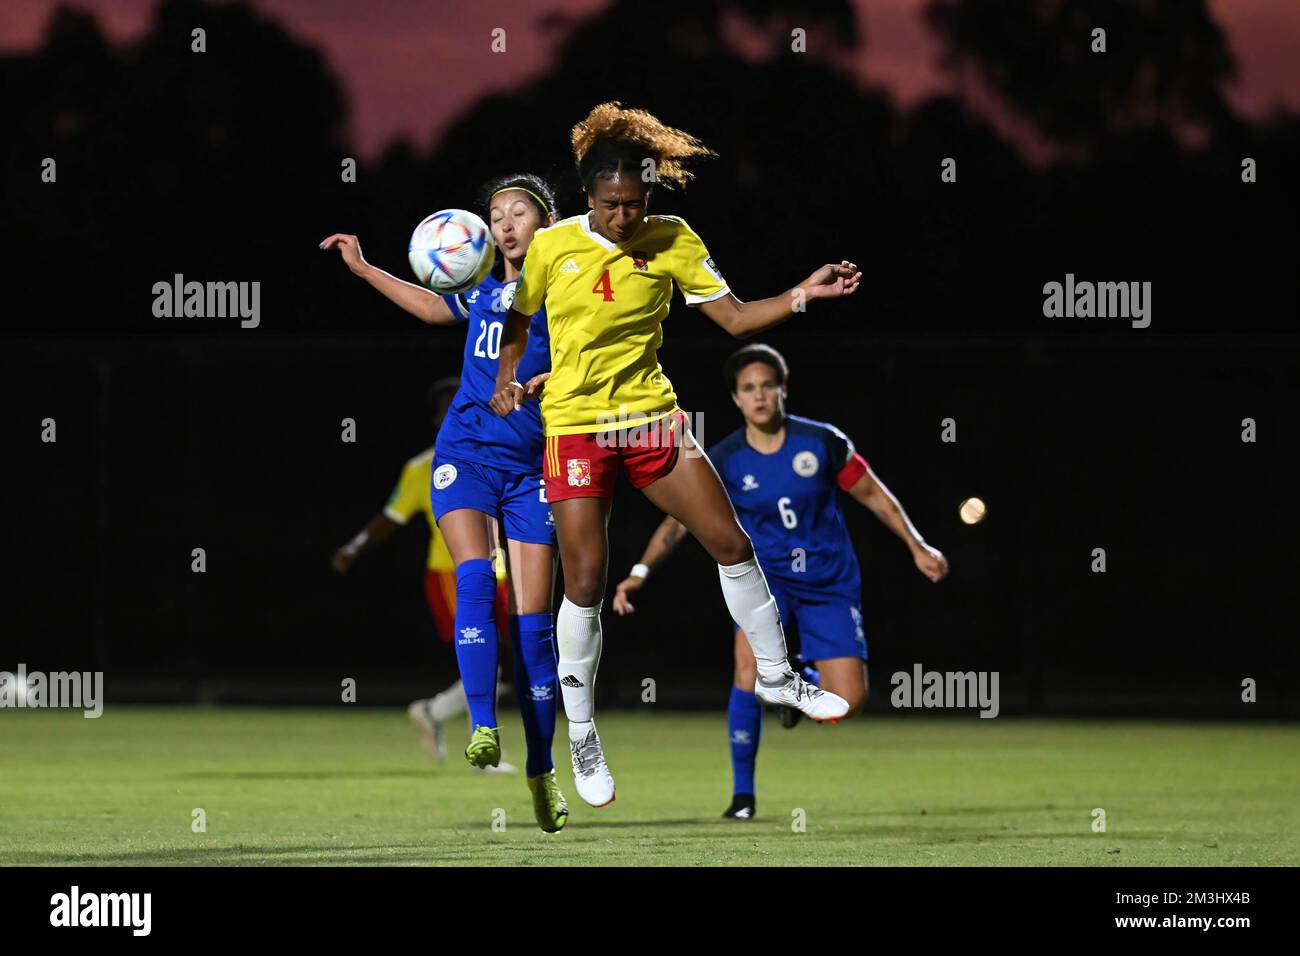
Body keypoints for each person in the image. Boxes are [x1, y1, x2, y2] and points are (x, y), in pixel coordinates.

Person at [491, 102, 860, 808]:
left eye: (634, 204)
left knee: (730, 541)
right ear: (588, 197)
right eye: (610, 205)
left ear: (649, 199)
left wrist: (804, 295)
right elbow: (518, 316)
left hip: (650, 421)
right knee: (587, 585)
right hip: (575, 427)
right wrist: (510, 376)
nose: (624, 217)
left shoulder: (673, 238)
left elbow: (734, 317)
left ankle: (779, 675)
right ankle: (583, 730)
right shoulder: (552, 246)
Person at [321, 173, 568, 832]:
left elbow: (594, 366)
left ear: (548, 223)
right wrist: (365, 267)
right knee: (474, 578)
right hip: (466, 456)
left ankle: (543, 765)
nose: (507, 222)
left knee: (537, 629)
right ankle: (483, 728)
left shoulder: (567, 294)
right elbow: (433, 308)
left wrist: (546, 381)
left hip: (531, 470)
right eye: (497, 213)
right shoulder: (482, 287)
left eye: (520, 211)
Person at [613, 344, 950, 819]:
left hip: (828, 581)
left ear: (783, 389)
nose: (759, 396)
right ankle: (743, 798)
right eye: (748, 388)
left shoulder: (823, 442)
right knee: (747, 674)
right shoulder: (724, 459)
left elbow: (873, 494)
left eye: (767, 385)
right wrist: (639, 573)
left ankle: (796, 687)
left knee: (847, 701)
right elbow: (679, 522)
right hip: (766, 581)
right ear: (735, 398)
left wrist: (918, 545)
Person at [330, 377, 515, 774]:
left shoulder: (497, 453)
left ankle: (438, 715)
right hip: (452, 573)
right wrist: (354, 547)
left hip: (499, 572)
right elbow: (390, 517)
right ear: (436, 420)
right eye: (448, 409)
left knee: (510, 662)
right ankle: (478, 746)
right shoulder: (423, 466)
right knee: (488, 654)